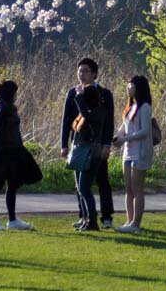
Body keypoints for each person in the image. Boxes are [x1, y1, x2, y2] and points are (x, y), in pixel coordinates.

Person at [61, 57, 115, 228]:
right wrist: (64, 144)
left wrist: (107, 144)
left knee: (101, 180)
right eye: (79, 71)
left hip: (97, 145)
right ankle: (84, 215)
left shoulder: (104, 94)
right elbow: (66, 119)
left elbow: (108, 122)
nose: (81, 74)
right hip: (78, 144)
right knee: (80, 183)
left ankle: (106, 217)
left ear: (94, 74)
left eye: (85, 71)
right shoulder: (73, 93)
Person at [0, 80, 40, 232]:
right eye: (14, 92)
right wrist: (0, 98)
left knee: (12, 186)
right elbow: (1, 114)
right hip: (2, 153)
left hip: (14, 150)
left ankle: (12, 219)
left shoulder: (11, 108)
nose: (17, 95)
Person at [112, 75, 155, 234]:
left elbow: (144, 131)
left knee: (137, 189)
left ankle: (136, 224)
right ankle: (129, 221)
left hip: (140, 152)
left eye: (131, 86)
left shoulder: (144, 107)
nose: (128, 88)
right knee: (128, 189)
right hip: (128, 153)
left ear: (139, 88)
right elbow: (124, 127)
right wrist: (117, 137)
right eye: (128, 86)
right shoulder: (130, 107)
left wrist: (125, 139)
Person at [71, 84, 107, 232]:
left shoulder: (99, 112)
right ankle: (86, 219)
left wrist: (79, 96)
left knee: (85, 187)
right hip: (82, 152)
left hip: (92, 154)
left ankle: (93, 221)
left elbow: (86, 115)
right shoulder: (87, 112)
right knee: (80, 187)